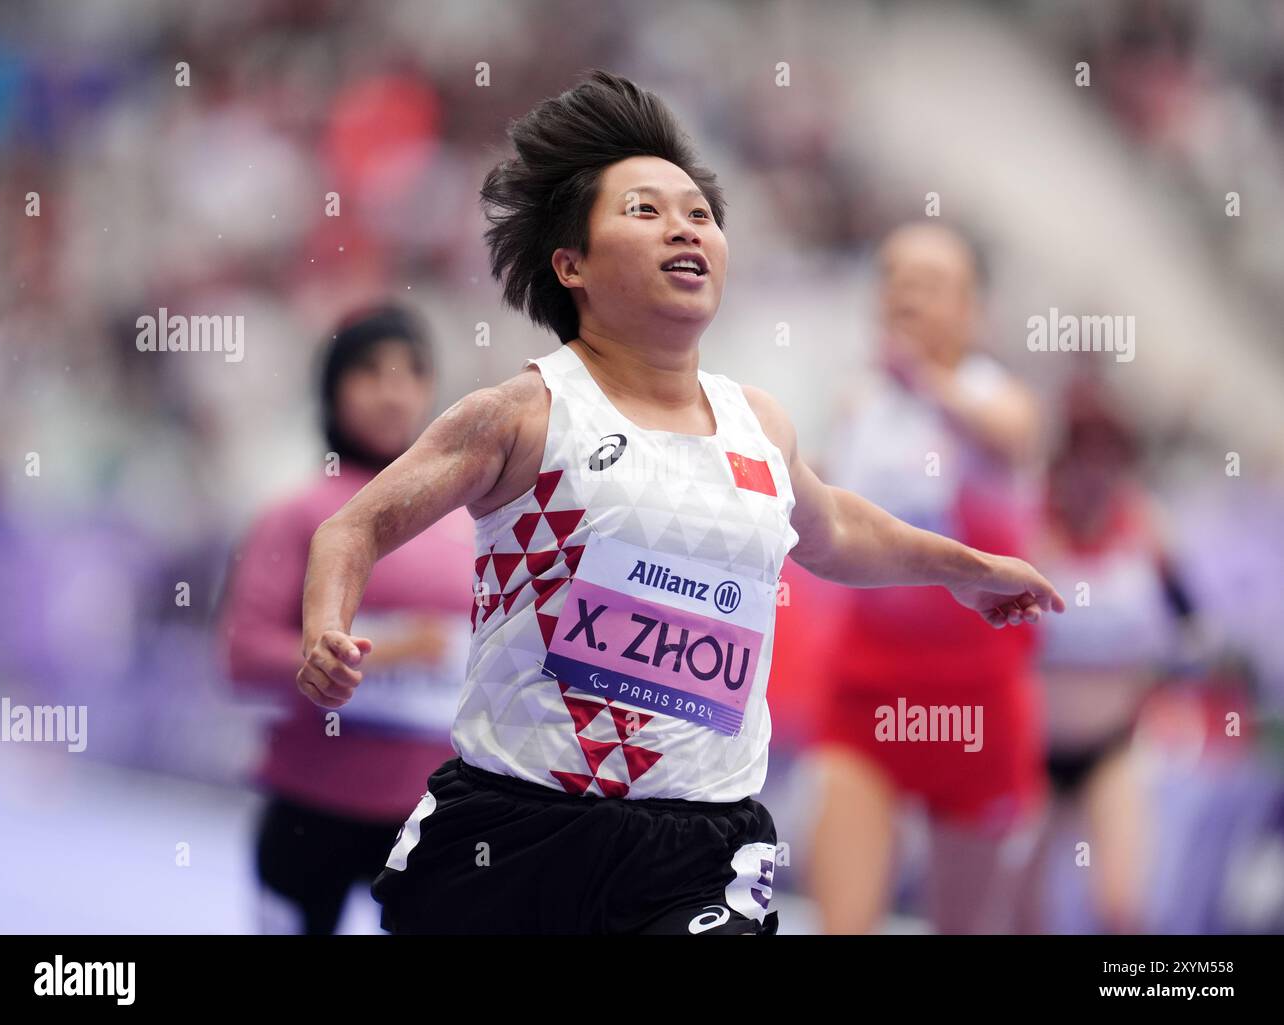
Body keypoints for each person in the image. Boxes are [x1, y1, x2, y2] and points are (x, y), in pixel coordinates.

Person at [293, 70, 1064, 936]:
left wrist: (962, 569)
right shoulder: (524, 413)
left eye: (699, 213)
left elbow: (836, 527)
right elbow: (353, 526)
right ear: (571, 264)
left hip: (700, 848)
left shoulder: (758, 424)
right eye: (646, 212)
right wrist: (327, 628)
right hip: (515, 832)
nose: (685, 228)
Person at [805, 222, 1047, 934]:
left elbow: (1015, 438)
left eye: (931, 284)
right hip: (868, 691)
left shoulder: (995, 398)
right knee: (843, 923)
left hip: (975, 703)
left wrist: (927, 381)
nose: (908, 295)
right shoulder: (860, 406)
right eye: (896, 280)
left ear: (972, 312)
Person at [218, 304, 474, 935]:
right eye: (370, 372)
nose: (393, 393)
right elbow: (243, 657)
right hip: (310, 812)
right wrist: (369, 655)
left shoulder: (469, 521)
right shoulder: (297, 514)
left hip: (430, 820)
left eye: (411, 373)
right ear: (332, 388)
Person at [1021, 377, 1195, 933]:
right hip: (1032, 750)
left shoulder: (1149, 531)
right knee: (1023, 910)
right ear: (1061, 466)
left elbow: (1194, 628)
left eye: (1110, 466)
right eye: (1084, 464)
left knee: (1122, 907)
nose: (1097, 481)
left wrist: (1156, 683)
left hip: (1110, 746)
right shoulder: (1028, 532)